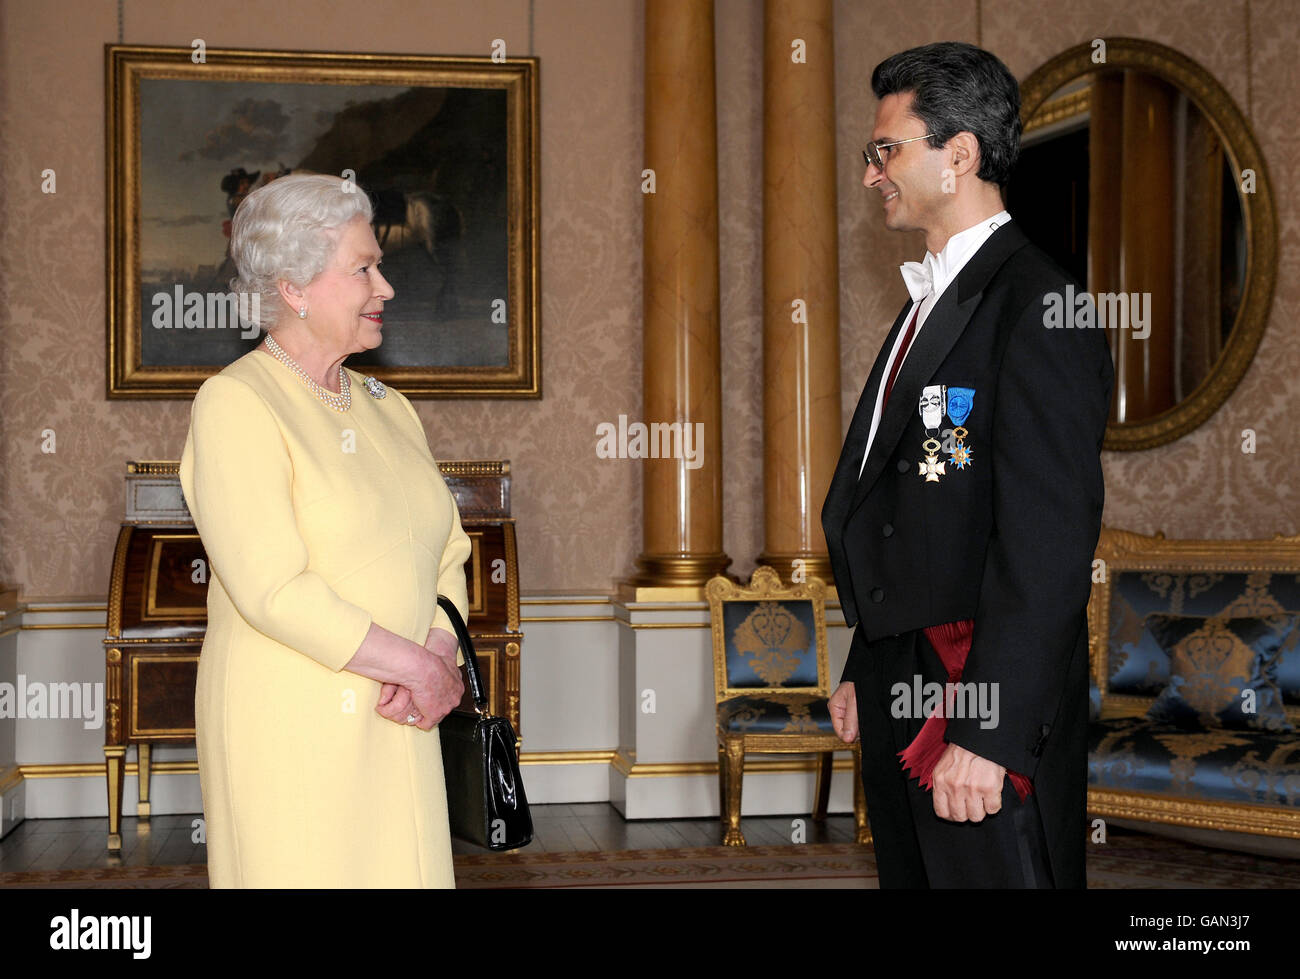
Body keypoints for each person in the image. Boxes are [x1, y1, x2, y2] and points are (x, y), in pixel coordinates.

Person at [821, 42, 1113, 888]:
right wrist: (866, 663)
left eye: (887, 149)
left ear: (959, 154)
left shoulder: (1039, 304)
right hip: (904, 681)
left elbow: (1047, 545)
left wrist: (987, 736)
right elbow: (912, 507)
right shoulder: (930, 304)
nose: (872, 171)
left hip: (979, 702)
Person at [179, 173, 472, 888]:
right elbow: (273, 587)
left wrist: (437, 647)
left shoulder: (389, 407)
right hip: (294, 723)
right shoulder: (236, 403)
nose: (386, 288)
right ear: (293, 288)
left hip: (400, 718)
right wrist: (417, 667)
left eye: (380, 266)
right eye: (364, 269)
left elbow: (448, 550)